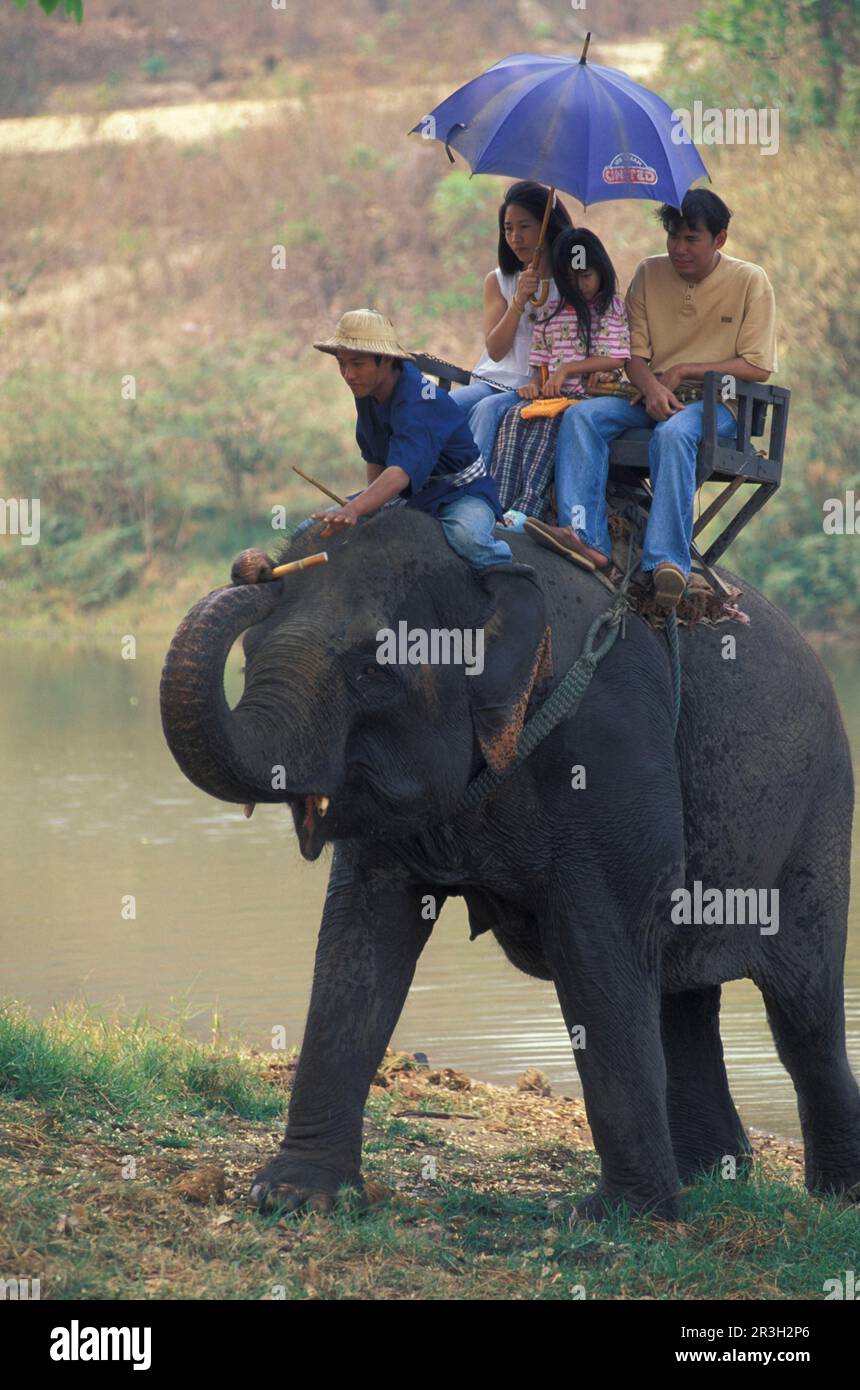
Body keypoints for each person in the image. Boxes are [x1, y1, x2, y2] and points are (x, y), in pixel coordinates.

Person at [525, 189, 777, 612]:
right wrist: (656, 386)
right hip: (645, 395)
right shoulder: (649, 273)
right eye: (673, 236)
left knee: (675, 434)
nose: (678, 248)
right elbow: (633, 356)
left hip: (717, 405)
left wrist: (681, 372)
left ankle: (666, 562)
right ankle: (586, 538)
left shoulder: (750, 280)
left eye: (691, 239)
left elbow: (757, 367)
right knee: (582, 417)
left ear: (720, 239)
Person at [307, 308, 517, 570]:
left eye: (357, 364)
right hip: (411, 495)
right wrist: (372, 510)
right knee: (312, 529)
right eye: (342, 364)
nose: (348, 374)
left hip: (459, 492)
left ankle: (511, 573)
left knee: (469, 540)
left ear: (384, 360)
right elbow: (374, 455)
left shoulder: (420, 400)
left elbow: (399, 473)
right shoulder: (366, 389)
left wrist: (355, 509)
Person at [491, 227, 629, 519]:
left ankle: (526, 508)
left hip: (582, 399)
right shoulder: (551, 310)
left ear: (602, 270)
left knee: (546, 429)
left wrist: (568, 369)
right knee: (514, 418)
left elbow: (615, 358)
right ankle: (498, 503)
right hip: (550, 397)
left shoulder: (610, 308)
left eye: (586, 276)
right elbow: (540, 365)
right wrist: (533, 385)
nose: (579, 285)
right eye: (571, 278)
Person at [451, 181, 572, 462]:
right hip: (491, 379)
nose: (515, 237)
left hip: (532, 386)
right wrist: (518, 301)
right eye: (508, 229)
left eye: (525, 227)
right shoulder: (499, 281)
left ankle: (475, 491)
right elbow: (495, 350)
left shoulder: (573, 283)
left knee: (487, 411)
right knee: (443, 407)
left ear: (548, 227)